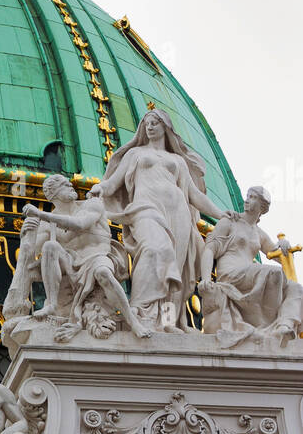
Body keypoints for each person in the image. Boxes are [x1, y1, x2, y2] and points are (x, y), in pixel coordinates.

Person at [98, 108, 226, 329]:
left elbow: (194, 196)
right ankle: (140, 311)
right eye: (147, 123)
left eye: (155, 122)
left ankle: (168, 322)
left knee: (175, 270)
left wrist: (222, 215)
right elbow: (112, 183)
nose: (150, 126)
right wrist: (99, 189)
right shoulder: (134, 154)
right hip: (146, 208)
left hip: (178, 212)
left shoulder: (177, 160)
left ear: (165, 127)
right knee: (154, 249)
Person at [11, 176, 151, 340]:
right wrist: (27, 235)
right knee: (50, 247)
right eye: (65, 185)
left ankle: (133, 321)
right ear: (53, 193)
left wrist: (40, 214)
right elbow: (32, 255)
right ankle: (52, 304)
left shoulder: (92, 204)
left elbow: (80, 223)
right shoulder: (46, 223)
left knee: (103, 274)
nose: (71, 185)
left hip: (98, 255)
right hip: (71, 261)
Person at [200, 185, 303, 342]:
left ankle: (284, 326)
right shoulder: (230, 221)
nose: (246, 200)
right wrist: (206, 278)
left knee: (296, 288)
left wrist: (284, 244)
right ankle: (266, 326)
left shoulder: (259, 233)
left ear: (262, 206)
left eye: (252, 197)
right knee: (274, 273)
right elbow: (209, 249)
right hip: (231, 273)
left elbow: (279, 255)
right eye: (247, 196)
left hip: (250, 273)